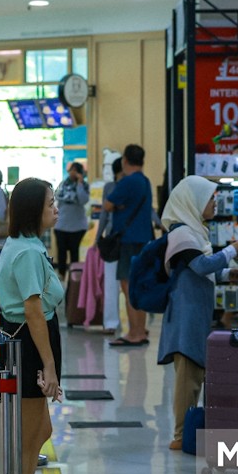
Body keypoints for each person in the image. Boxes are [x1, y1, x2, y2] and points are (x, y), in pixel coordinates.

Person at [0, 178, 66, 474]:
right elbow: (34, 311)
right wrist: (49, 366)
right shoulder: (27, 253)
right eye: (51, 202)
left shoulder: (26, 245)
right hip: (29, 345)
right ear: (33, 209)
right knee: (27, 436)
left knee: (41, 429)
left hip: (32, 342)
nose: (56, 208)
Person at [158, 176, 238, 450]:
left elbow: (199, 268)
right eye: (209, 199)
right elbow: (199, 265)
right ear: (193, 201)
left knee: (195, 372)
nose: (214, 204)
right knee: (188, 375)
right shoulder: (182, 233)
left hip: (195, 310)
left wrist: (225, 272)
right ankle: (180, 435)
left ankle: (186, 432)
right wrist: (231, 251)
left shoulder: (194, 231)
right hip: (186, 314)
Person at [103, 144, 153, 347]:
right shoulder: (145, 181)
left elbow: (107, 204)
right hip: (143, 239)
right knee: (139, 286)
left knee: (128, 286)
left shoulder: (127, 181)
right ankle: (141, 330)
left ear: (124, 160)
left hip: (128, 240)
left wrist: (118, 204)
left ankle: (134, 333)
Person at [98, 158, 124, 336]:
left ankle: (131, 323)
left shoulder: (134, 185)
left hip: (129, 239)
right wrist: (98, 237)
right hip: (112, 240)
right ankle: (111, 322)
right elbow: (104, 214)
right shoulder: (109, 187)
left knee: (129, 283)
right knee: (111, 283)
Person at [54, 162, 90, 274]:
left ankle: (75, 278)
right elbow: (57, 196)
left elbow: (83, 200)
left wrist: (79, 183)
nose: (72, 173)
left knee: (75, 254)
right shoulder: (63, 184)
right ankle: (62, 275)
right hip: (61, 225)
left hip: (77, 227)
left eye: (75, 171)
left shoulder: (84, 185)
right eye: (71, 170)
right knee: (61, 253)